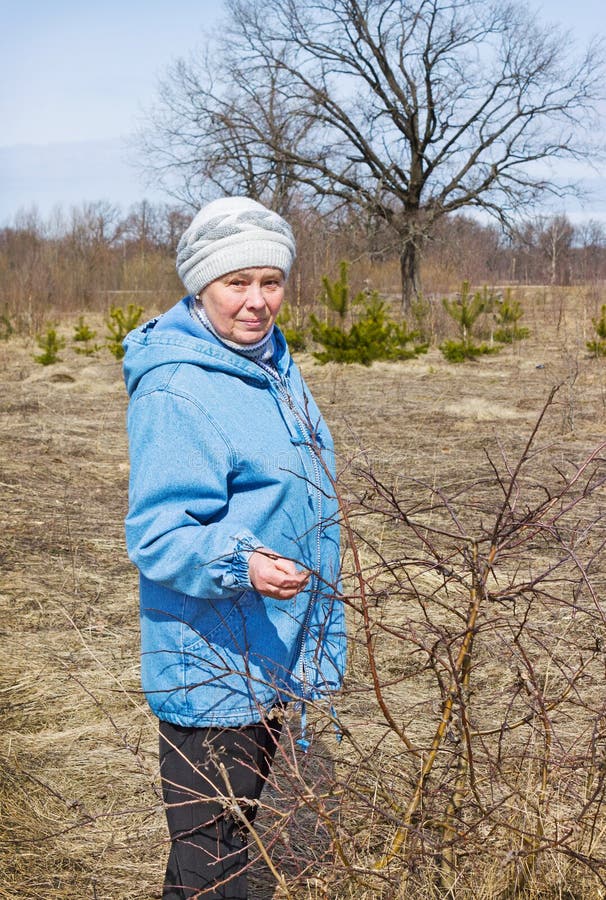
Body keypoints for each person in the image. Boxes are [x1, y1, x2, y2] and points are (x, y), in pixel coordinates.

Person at [122, 196, 346, 899]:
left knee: (218, 848)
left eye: (270, 282)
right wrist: (243, 562)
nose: (257, 302)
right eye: (236, 284)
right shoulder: (178, 389)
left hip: (265, 649)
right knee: (217, 867)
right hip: (209, 662)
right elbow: (159, 535)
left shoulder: (270, 365)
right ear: (200, 285)